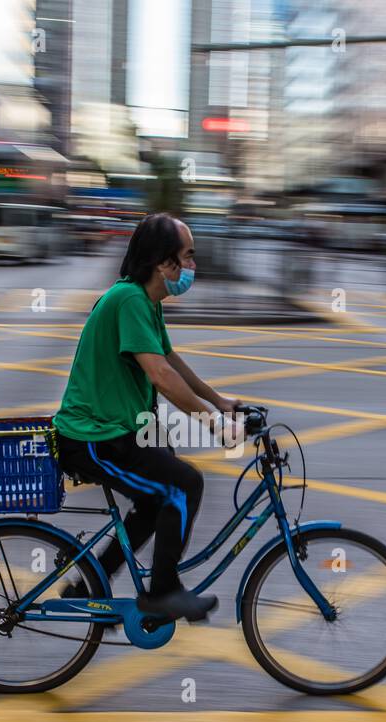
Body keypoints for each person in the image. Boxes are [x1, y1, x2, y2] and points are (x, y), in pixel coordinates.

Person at [53, 213, 243, 622]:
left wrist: (218, 401)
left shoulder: (145, 301)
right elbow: (160, 376)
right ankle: (162, 592)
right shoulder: (129, 301)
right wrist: (214, 424)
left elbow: (169, 360)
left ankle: (90, 585)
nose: (193, 266)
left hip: (115, 433)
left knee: (155, 500)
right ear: (163, 262)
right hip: (94, 438)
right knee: (183, 484)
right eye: (188, 257)